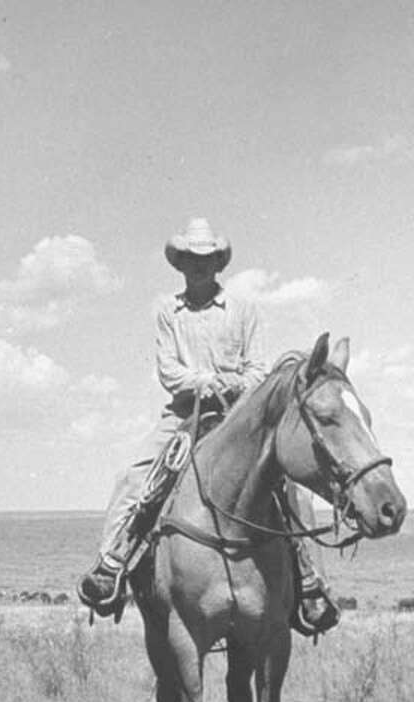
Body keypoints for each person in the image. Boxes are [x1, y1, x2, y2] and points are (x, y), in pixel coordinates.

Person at [77, 218, 339, 632]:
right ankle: (111, 565)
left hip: (240, 415)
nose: (198, 265)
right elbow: (169, 371)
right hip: (184, 414)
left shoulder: (244, 310)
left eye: (206, 258)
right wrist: (204, 382)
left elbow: (258, 370)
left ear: (219, 263)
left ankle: (310, 585)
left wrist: (236, 384)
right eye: (190, 259)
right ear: (180, 264)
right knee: (133, 478)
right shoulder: (168, 312)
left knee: (291, 487)